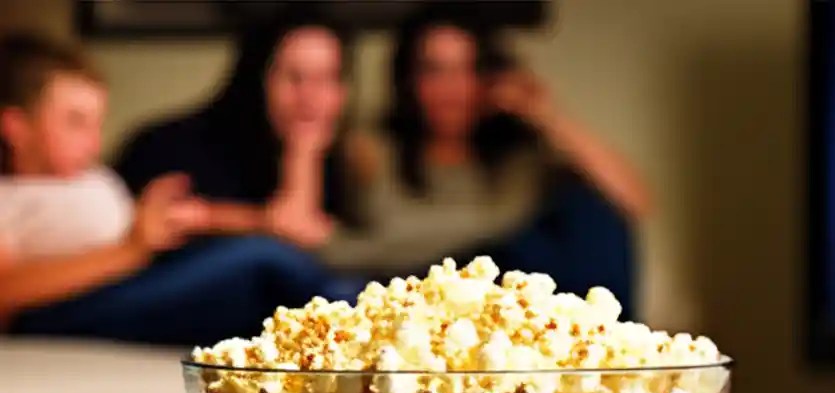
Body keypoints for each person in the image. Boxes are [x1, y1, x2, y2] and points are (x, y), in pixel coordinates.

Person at [0, 34, 358, 347]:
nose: (94, 142)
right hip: (74, 306)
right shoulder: (9, 195)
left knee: (261, 283)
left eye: (97, 123)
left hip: (141, 272)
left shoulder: (79, 178)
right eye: (75, 122)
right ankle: (366, 318)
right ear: (15, 127)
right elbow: (6, 291)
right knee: (263, 259)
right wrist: (130, 249)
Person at [322, 6, 648, 317]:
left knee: (589, 213)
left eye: (467, 70)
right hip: (425, 294)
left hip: (516, 299)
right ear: (408, 80)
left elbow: (633, 201)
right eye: (435, 71)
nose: (452, 89)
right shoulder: (374, 148)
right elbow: (390, 240)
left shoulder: (516, 156)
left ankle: (609, 354)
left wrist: (545, 114)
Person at [114, 4, 352, 248]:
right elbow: (296, 229)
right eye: (294, 78)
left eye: (327, 79)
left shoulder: (348, 163)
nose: (310, 98)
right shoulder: (169, 147)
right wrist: (261, 219)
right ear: (257, 82)